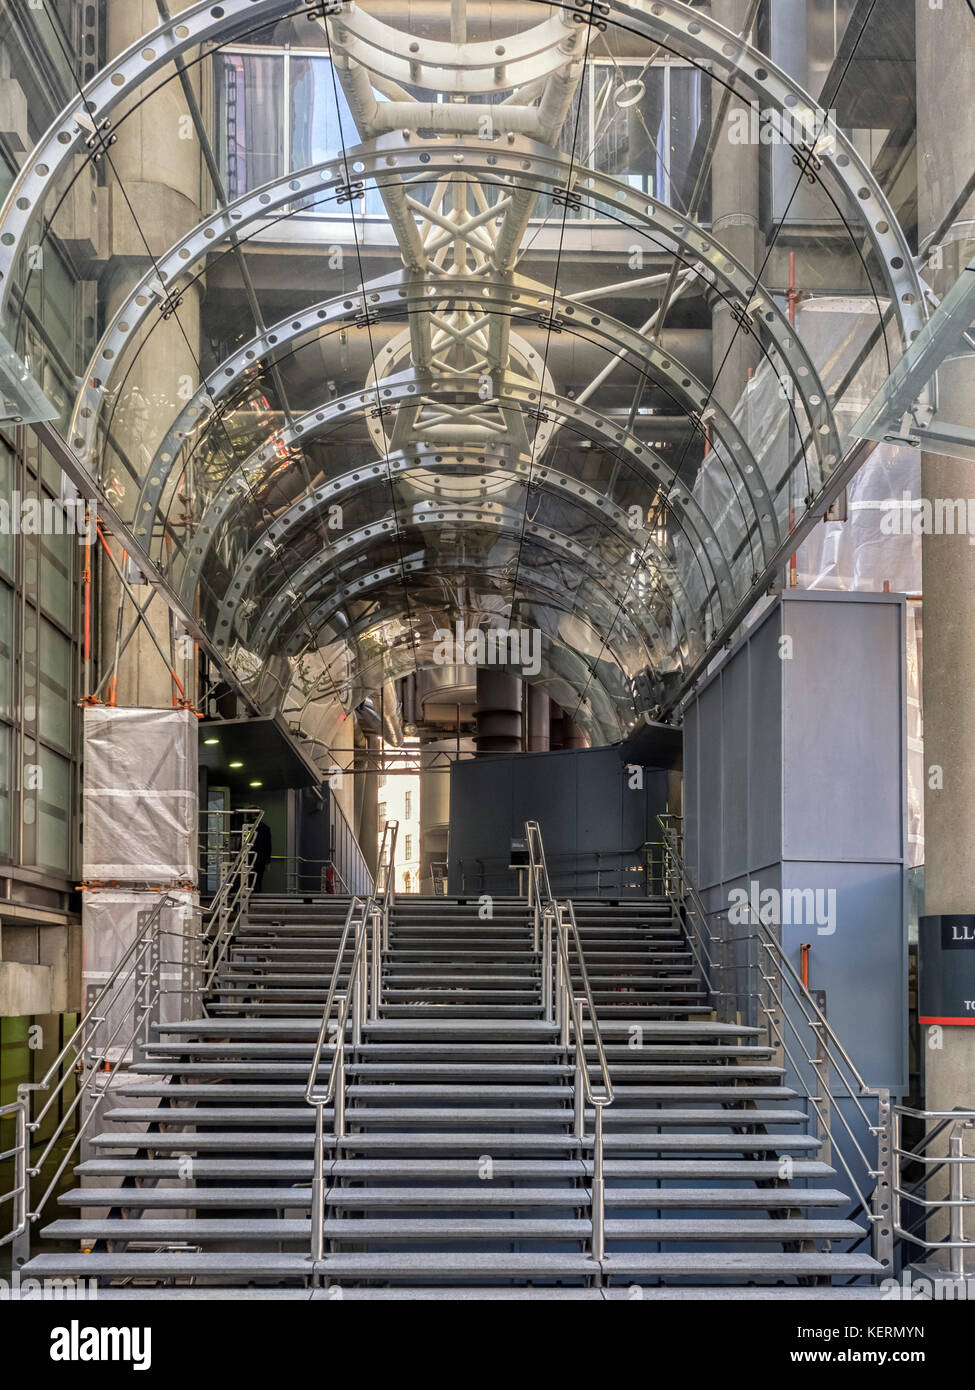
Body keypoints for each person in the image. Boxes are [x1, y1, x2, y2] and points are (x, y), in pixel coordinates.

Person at [253, 818, 272, 894]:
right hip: (260, 858)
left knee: (249, 879)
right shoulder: (265, 828)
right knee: (258, 879)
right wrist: (267, 861)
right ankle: (257, 894)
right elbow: (268, 846)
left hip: (250, 858)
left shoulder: (248, 827)